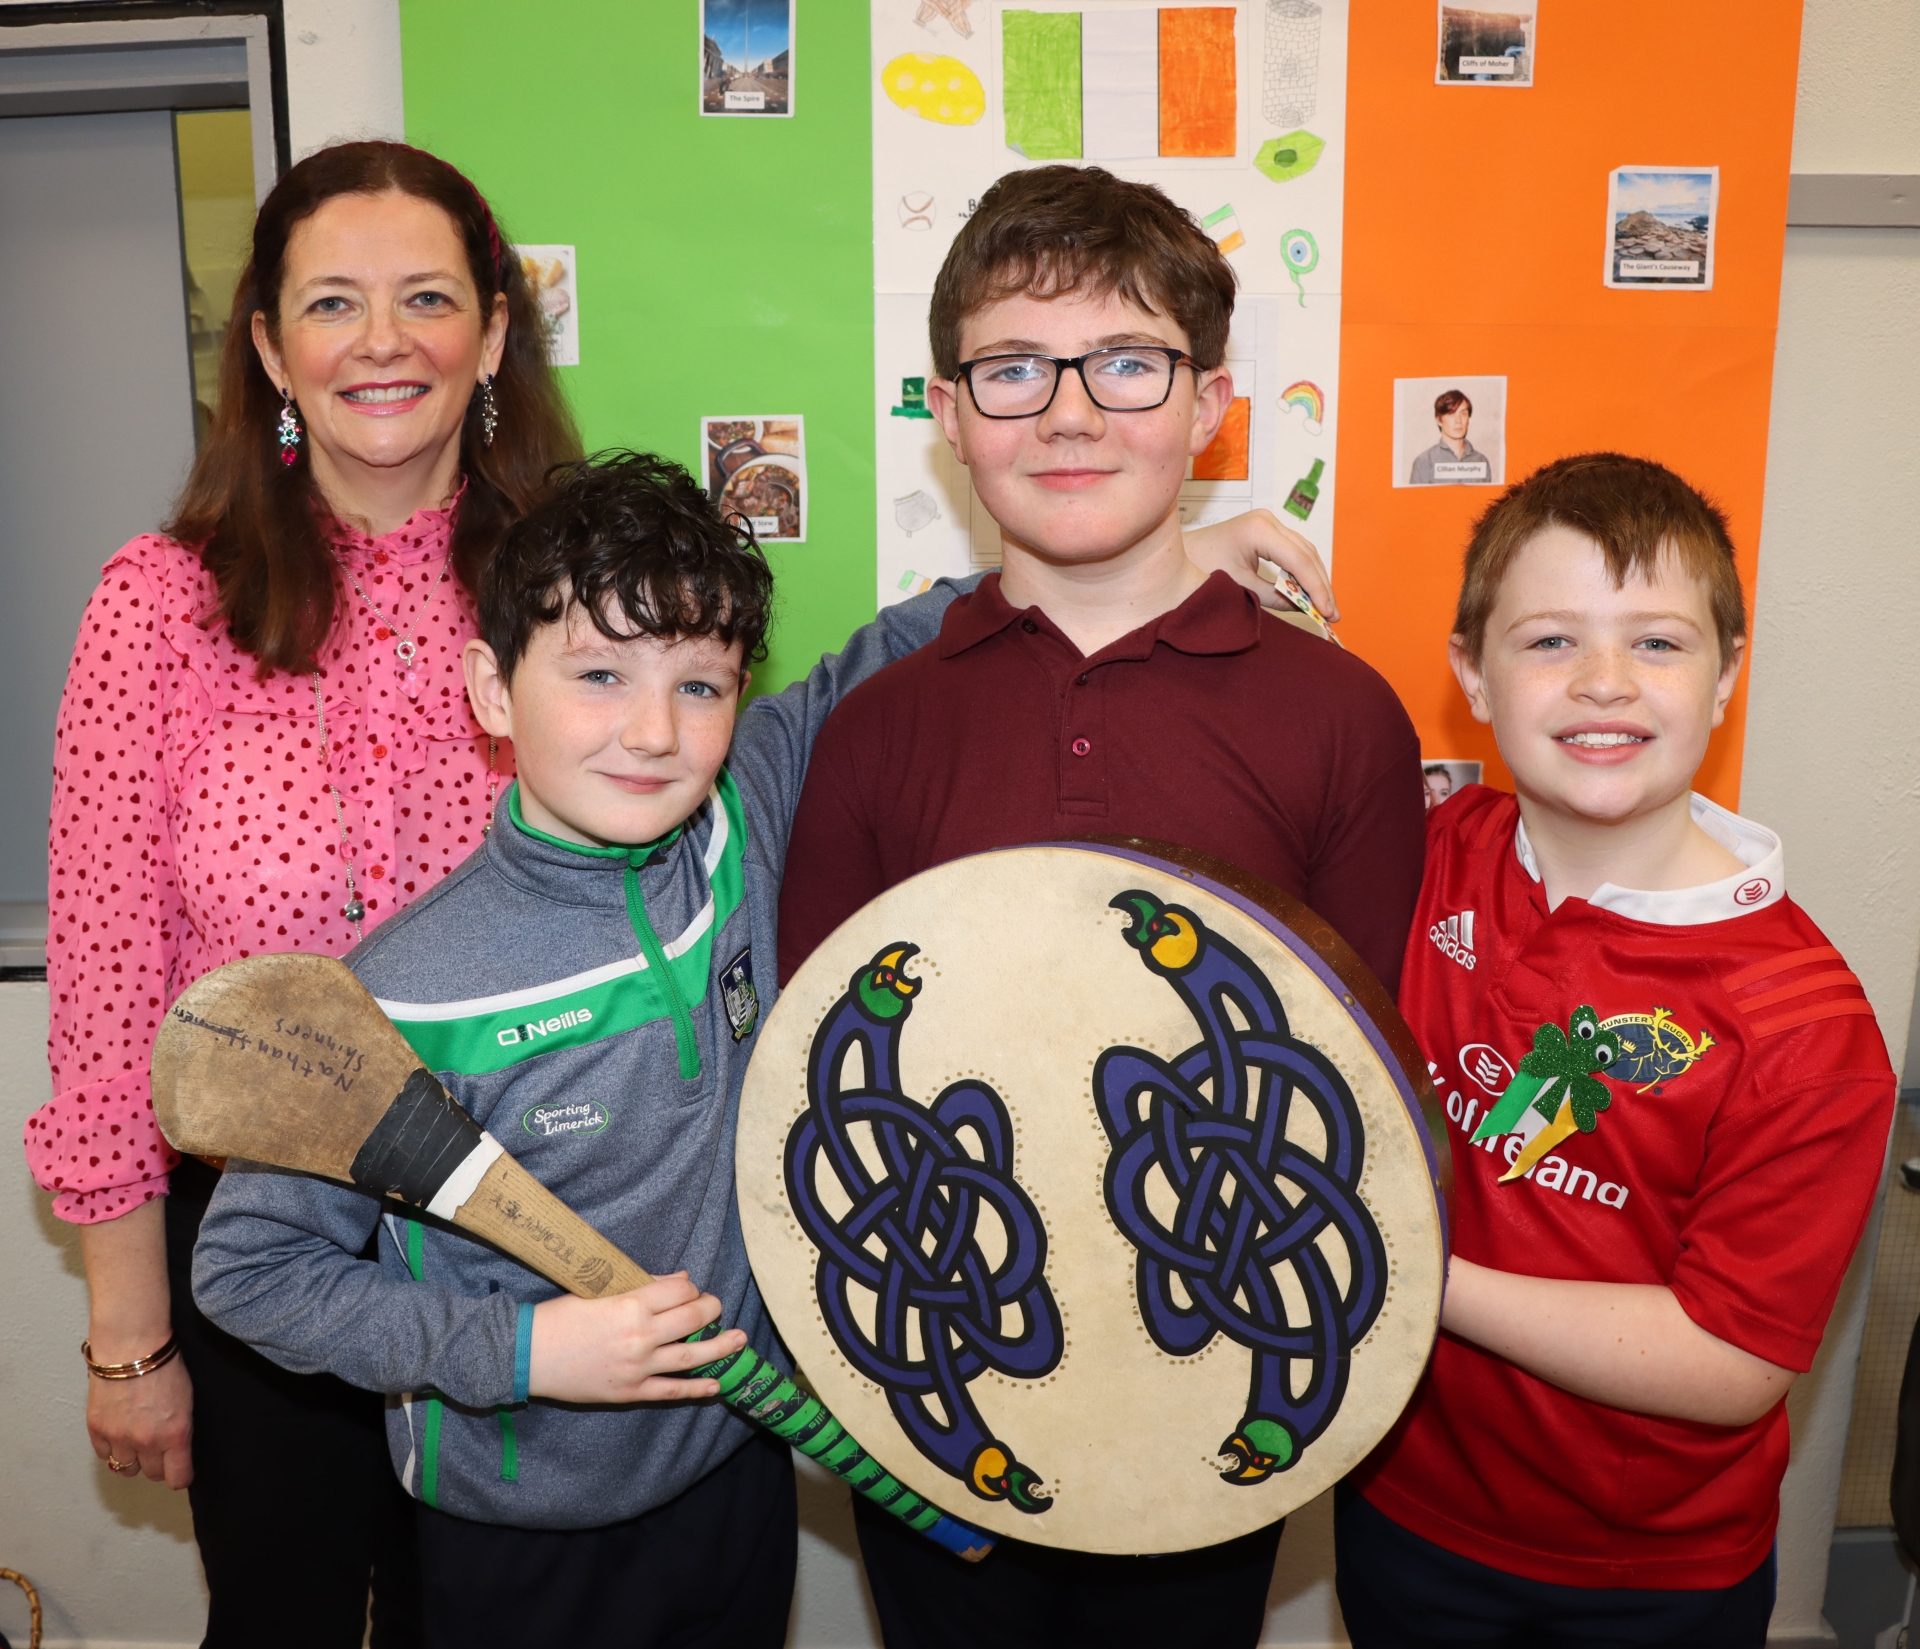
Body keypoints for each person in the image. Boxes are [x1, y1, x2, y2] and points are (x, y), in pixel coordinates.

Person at [189, 451, 995, 1646]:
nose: (655, 731)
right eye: (600, 673)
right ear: (493, 689)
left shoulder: (746, 815)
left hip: (737, 1466)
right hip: (520, 1527)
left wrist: (1162, 569)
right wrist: (522, 1348)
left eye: (702, 686)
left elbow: (894, 644)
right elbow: (249, 1272)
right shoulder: (401, 993)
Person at [776, 164, 1425, 1649]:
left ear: (1209, 408)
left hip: (1216, 1364)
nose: (1070, 412)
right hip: (939, 1356)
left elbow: (1360, 1089)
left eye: (1127, 363)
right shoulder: (875, 722)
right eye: (1014, 369)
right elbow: (823, 1082)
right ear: (948, 414)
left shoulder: (1341, 717)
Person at [19, 140, 581, 1645]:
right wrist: (131, 1332)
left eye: (426, 299)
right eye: (332, 303)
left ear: (496, 333)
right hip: (265, 1251)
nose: (382, 341)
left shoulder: (577, 591)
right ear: (269, 343)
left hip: (532, 1237)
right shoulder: (160, 603)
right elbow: (108, 970)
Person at [1338, 453, 1896, 1648]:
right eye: (1548, 642)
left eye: (1657, 642)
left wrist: (1412, 1274)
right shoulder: (1433, 850)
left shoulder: (1807, 1030)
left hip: (1644, 1571)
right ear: (1469, 676)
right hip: (1399, 1501)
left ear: (1728, 673)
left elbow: (1731, 1356)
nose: (1603, 683)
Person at [1408, 388, 1492, 485]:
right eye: (1451, 414)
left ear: (1468, 418)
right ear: (1439, 420)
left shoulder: (1481, 461)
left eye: (1463, 413)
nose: (1458, 420)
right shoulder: (1424, 461)